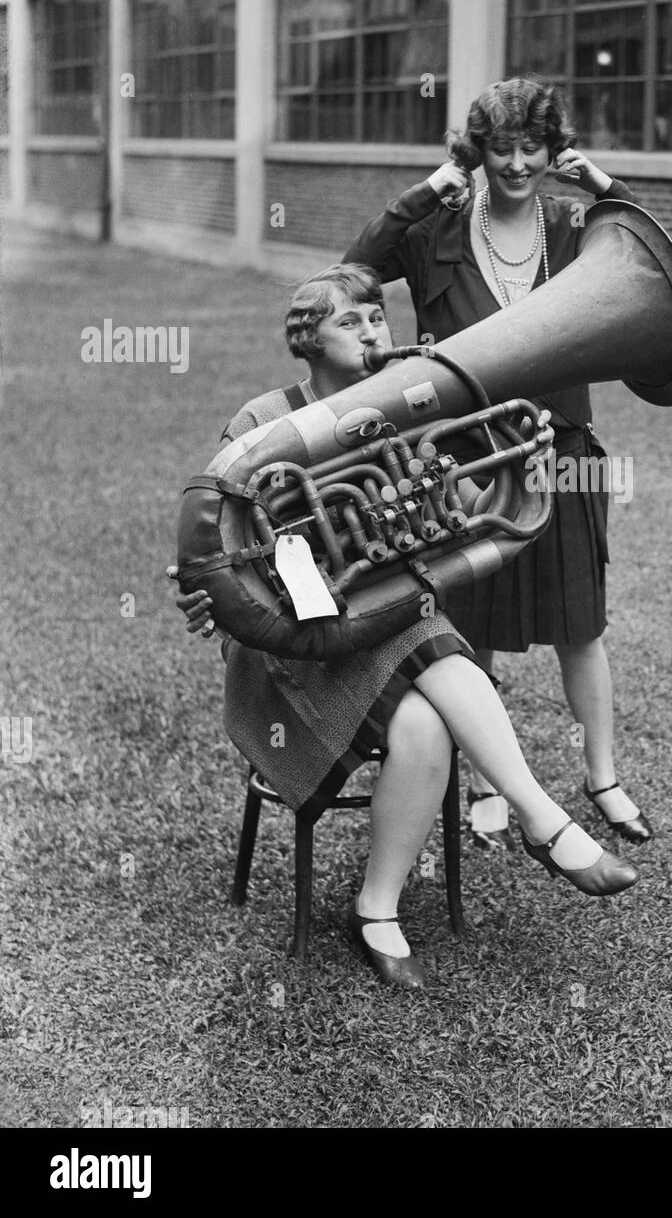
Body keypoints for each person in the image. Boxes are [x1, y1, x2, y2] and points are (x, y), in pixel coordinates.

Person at [171, 264, 638, 991]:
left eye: (376, 317)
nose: (370, 332)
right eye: (348, 322)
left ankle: (377, 910)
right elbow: (210, 539)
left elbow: (466, 508)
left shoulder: (408, 406)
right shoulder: (263, 422)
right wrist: (205, 595)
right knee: (426, 633)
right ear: (307, 341)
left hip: (382, 621)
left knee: (424, 715)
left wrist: (527, 460)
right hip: (290, 653)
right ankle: (545, 823)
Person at [343, 76, 655, 851]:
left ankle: (603, 778)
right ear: (476, 151)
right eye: (501, 148)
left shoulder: (574, 223)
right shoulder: (437, 230)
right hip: (464, 460)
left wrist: (605, 186)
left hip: (563, 451)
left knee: (581, 625)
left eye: (532, 148)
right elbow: (355, 268)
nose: (517, 164)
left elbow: (649, 254)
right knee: (470, 622)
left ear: (554, 150)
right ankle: (487, 784)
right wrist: (427, 191)